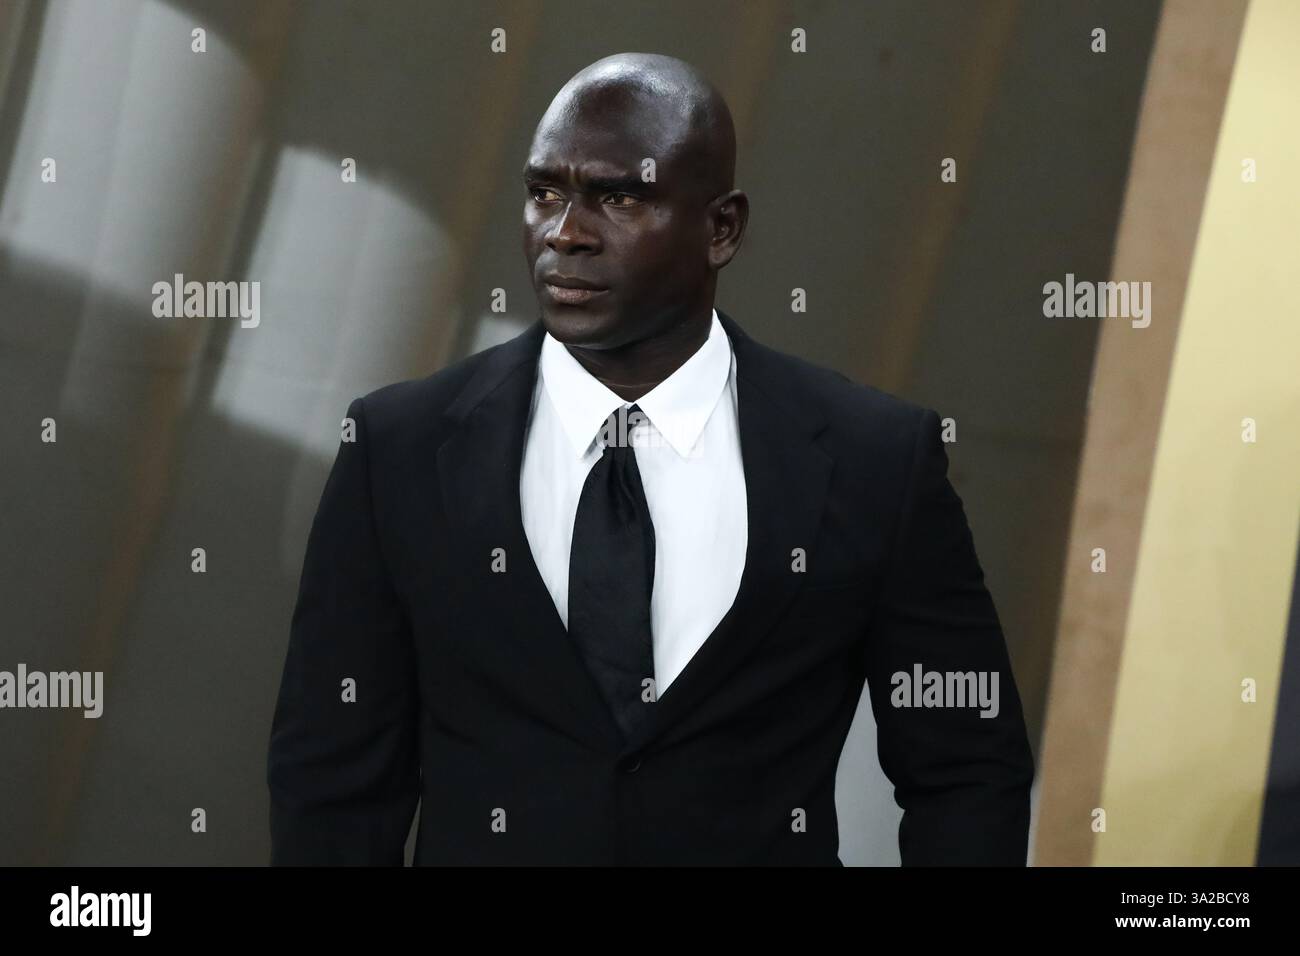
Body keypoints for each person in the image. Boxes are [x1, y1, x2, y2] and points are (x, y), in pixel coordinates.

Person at [267, 52, 1034, 866]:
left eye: (619, 198)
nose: (565, 233)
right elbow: (333, 782)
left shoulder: (875, 459)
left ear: (722, 229)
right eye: (544, 193)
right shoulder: (399, 449)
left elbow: (967, 771)